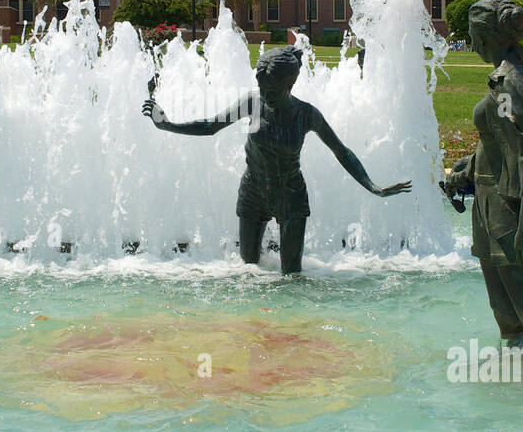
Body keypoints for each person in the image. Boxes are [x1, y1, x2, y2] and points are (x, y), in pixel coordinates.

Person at [142, 46, 410, 274]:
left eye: (271, 90)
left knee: (292, 276)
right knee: (248, 271)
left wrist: (372, 186)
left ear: (289, 85)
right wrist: (168, 124)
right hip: (253, 192)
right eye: (261, 87)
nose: (264, 94)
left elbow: (341, 151)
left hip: (290, 196)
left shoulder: (307, 114)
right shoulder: (253, 103)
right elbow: (210, 126)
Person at [444, 0, 523, 348]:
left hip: (509, 211)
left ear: (488, 36)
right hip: (487, 204)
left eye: (472, 35)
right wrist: (467, 168)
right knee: (506, 317)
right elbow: (503, 142)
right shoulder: (501, 79)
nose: (470, 43)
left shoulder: (513, 81)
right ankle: (515, 389)